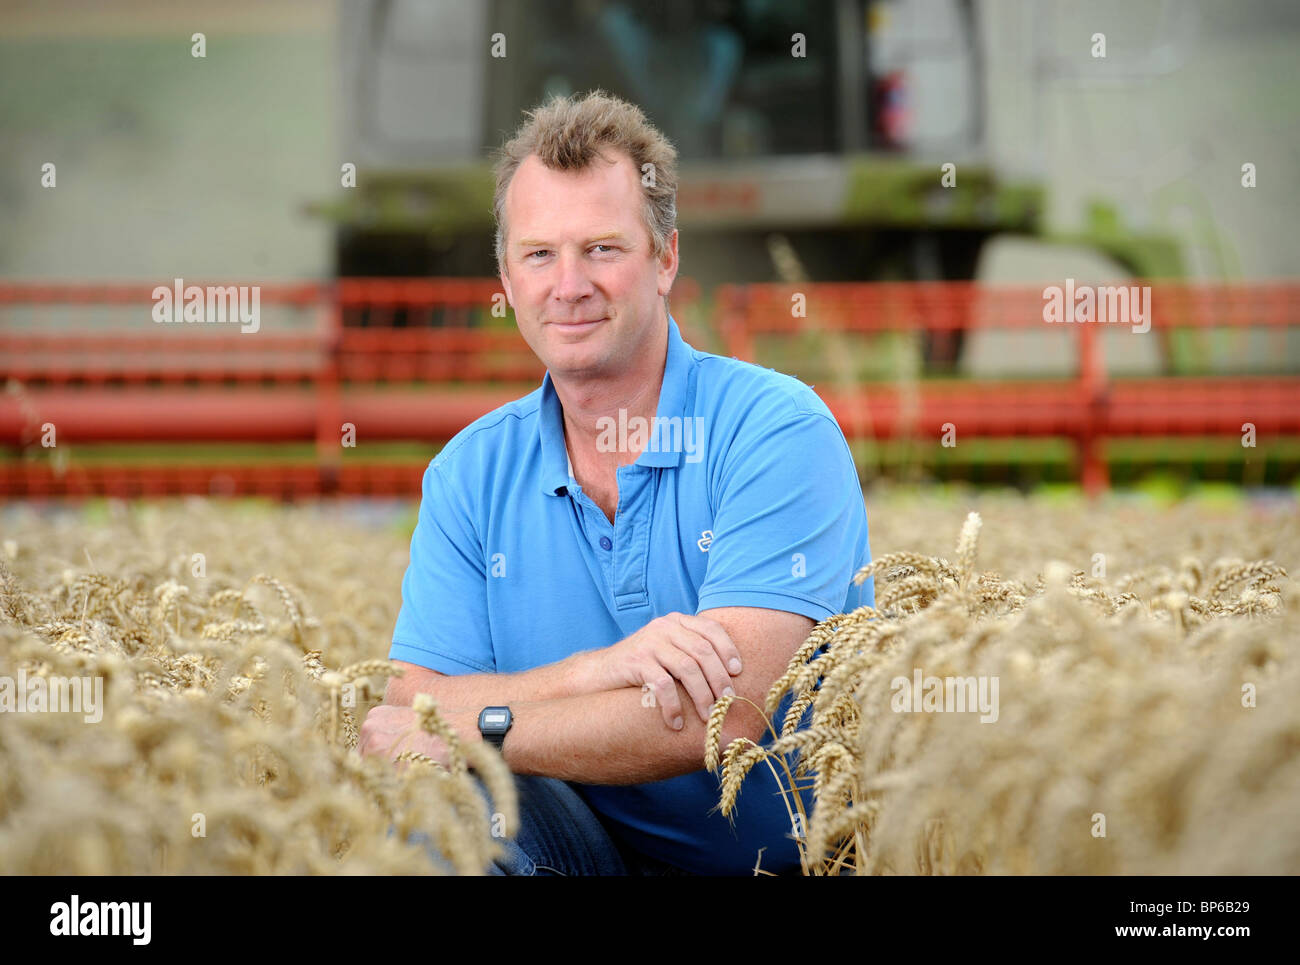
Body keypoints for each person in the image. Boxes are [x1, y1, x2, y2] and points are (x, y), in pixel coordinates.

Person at [359, 89, 874, 875]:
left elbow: (723, 718)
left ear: (665, 260)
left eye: (602, 249)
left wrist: (474, 722)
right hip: (570, 850)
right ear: (505, 276)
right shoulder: (468, 474)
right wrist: (599, 669)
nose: (568, 285)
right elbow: (407, 710)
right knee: (458, 811)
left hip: (783, 865)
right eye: (539, 254)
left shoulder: (774, 431)